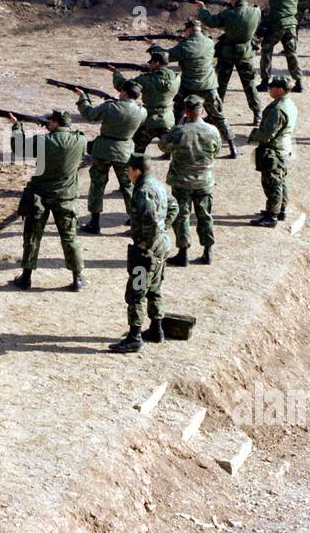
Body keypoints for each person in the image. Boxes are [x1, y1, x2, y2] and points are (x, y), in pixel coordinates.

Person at [9, 110, 87, 291]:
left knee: (32, 237)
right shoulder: (80, 140)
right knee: (69, 237)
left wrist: (17, 125)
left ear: (54, 123)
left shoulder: (43, 140)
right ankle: (77, 278)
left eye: (49, 122)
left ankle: (26, 278)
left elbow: (18, 147)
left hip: (40, 196)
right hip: (66, 196)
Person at [110, 153, 178, 353]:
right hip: (161, 247)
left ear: (137, 170)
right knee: (155, 287)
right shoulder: (157, 185)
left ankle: (134, 336)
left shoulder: (143, 192)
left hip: (147, 252)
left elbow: (150, 221)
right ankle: (156, 329)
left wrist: (144, 243)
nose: (128, 173)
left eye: (129, 169)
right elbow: (174, 206)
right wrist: (163, 229)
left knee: (136, 292)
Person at [76, 82, 147, 235]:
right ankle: (134, 219)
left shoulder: (110, 107)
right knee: (128, 187)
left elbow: (89, 114)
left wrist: (83, 98)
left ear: (124, 93)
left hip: (103, 151)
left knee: (97, 185)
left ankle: (94, 223)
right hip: (125, 151)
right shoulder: (142, 111)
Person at [158, 94, 220, 265]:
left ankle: (183, 253)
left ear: (186, 111)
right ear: (201, 110)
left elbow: (163, 146)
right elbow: (216, 151)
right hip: (204, 181)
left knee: (182, 216)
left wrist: (175, 127)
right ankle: (208, 251)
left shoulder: (179, 131)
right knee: (205, 215)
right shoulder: (212, 130)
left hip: (181, 181)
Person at [168, 18, 237, 157]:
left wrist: (154, 46)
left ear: (189, 30)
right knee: (219, 116)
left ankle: (171, 149)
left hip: (189, 86)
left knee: (178, 114)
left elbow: (167, 57)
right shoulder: (210, 42)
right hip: (209, 85)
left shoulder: (184, 46)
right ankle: (232, 147)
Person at [232, 0, 303, 93]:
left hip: (277, 24)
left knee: (266, 50)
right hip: (292, 24)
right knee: (291, 53)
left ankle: (265, 81)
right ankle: (299, 82)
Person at [198, 0, 262, 127]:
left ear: (233, 0)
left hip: (227, 53)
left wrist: (202, 9)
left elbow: (210, 21)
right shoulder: (256, 11)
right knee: (250, 85)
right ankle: (257, 114)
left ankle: (215, 115)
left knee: (220, 85)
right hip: (245, 53)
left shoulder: (228, 14)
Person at [250, 76, 297, 228]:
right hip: (283, 148)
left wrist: (254, 135)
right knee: (281, 181)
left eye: (272, 87)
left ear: (281, 90)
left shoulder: (278, 109)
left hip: (274, 151)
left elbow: (267, 135)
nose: (269, 89)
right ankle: (280, 209)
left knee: (272, 184)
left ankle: (272, 216)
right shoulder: (288, 103)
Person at [113, 47, 180, 153]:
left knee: (138, 146)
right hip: (168, 118)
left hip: (149, 120)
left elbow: (124, 86)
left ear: (157, 63)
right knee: (171, 144)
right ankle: (168, 155)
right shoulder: (176, 78)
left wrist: (116, 73)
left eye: (151, 63)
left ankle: (137, 166)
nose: (149, 65)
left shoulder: (146, 79)